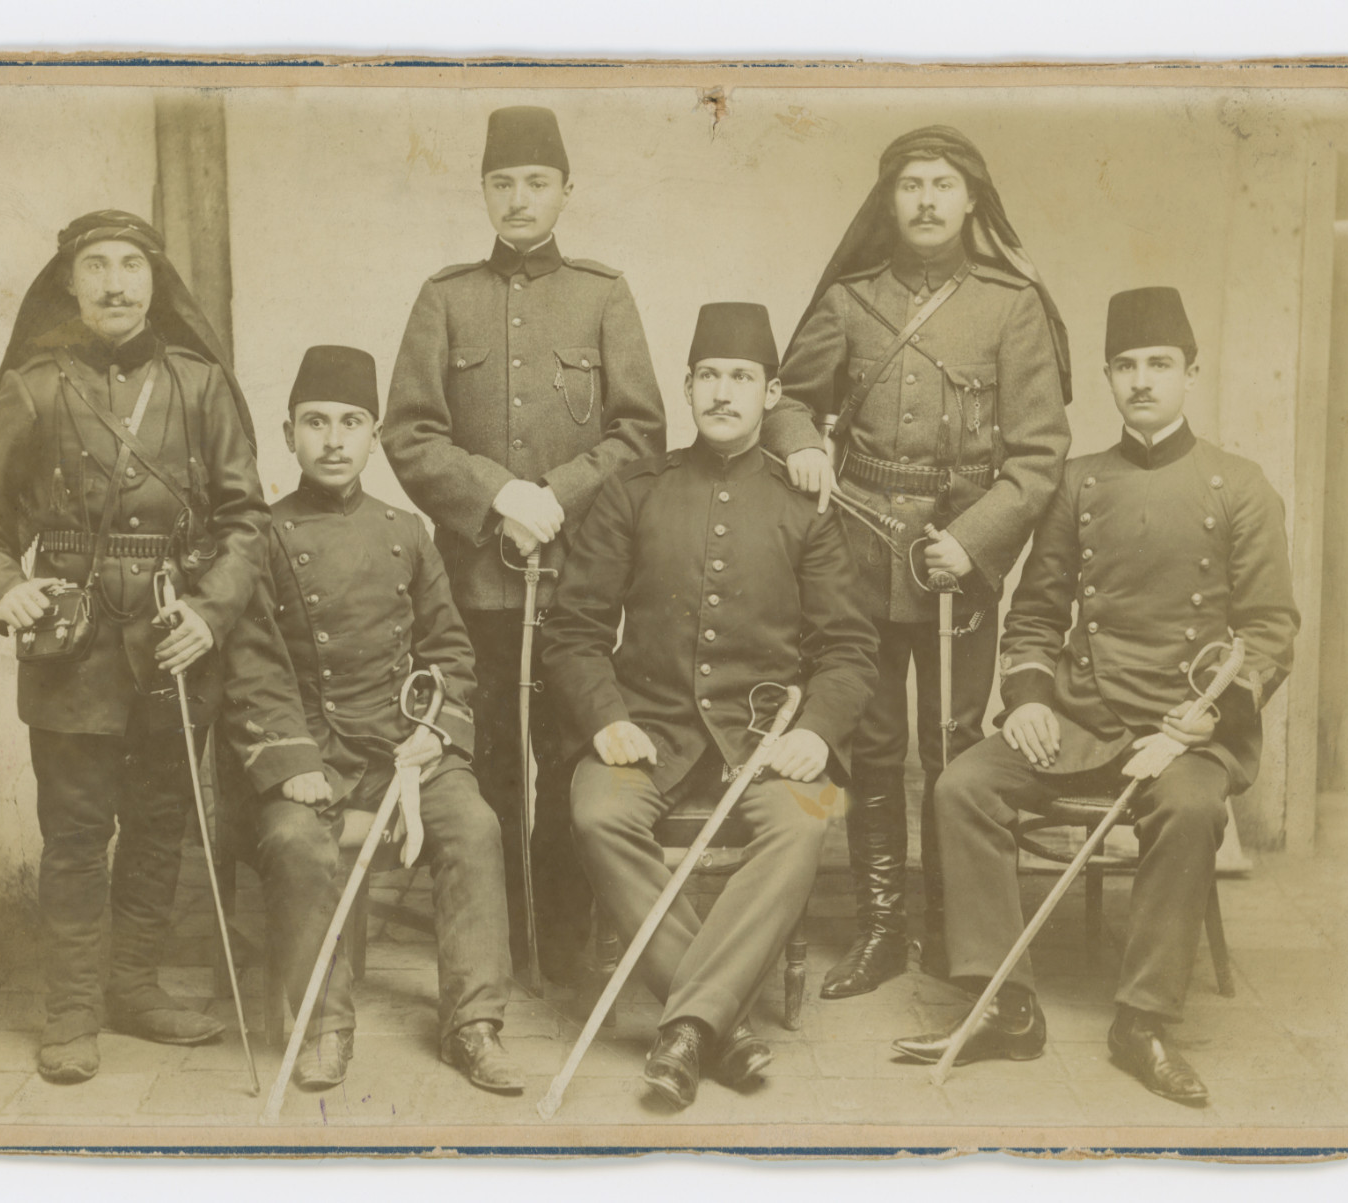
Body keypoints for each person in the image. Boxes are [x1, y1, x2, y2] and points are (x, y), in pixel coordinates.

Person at [891, 287, 1299, 1107]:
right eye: (1125, 366)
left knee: (1187, 811)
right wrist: (1033, 696)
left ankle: (1142, 1022)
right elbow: (1035, 615)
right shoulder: (1077, 483)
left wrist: (1200, 723)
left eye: (1158, 365)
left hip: (1187, 724)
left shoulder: (1240, 485)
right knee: (963, 785)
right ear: (1109, 377)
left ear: (1190, 372)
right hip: (1081, 713)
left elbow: (1269, 629)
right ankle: (1006, 1003)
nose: (1142, 381)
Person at [0, 210, 269, 1083]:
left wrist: (212, 611)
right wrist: (3, 586)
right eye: (97, 266)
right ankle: (73, 1011)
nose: (116, 283)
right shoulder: (35, 386)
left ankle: (133, 986)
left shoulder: (201, 387)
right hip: (74, 648)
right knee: (79, 834)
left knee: (161, 826)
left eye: (132, 264)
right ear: (70, 281)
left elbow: (246, 520)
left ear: (156, 281)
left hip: (172, 640)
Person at [543, 303, 879, 1109]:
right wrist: (605, 717)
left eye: (742, 377)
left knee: (804, 817)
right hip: (648, 731)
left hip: (763, 739)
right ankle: (717, 1025)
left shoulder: (804, 506)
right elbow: (573, 630)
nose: (724, 393)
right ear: (688, 387)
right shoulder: (634, 490)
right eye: (709, 377)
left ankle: (686, 1028)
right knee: (595, 814)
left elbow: (850, 651)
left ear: (771, 394)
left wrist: (815, 731)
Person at [768, 125, 1072, 995]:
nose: (928, 201)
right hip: (857, 554)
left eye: (943, 184)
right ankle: (878, 931)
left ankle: (953, 928)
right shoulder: (849, 302)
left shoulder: (1012, 304)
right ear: (889, 200)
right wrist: (802, 448)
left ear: (972, 199)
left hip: (957, 564)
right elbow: (790, 402)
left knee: (952, 747)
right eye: (911, 185)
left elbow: (1039, 458)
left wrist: (970, 542)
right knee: (870, 745)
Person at [383, 106, 667, 986]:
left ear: (565, 192)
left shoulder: (602, 293)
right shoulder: (446, 297)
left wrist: (556, 494)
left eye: (536, 183)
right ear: (483, 191)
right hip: (473, 584)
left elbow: (642, 433)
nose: (518, 199)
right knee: (490, 766)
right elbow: (408, 434)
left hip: (579, 587)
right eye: (502, 183)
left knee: (575, 759)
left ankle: (568, 947)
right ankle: (497, 946)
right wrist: (495, 494)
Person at [219, 346, 523, 1094]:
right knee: (293, 842)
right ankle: (322, 1023)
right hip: (310, 746)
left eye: (350, 422)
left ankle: (473, 1025)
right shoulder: (259, 538)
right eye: (315, 422)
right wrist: (293, 766)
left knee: (476, 827)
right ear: (288, 433)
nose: (333, 438)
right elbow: (251, 666)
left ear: (374, 435)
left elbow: (450, 647)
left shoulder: (406, 529)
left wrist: (434, 730)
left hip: (404, 747)